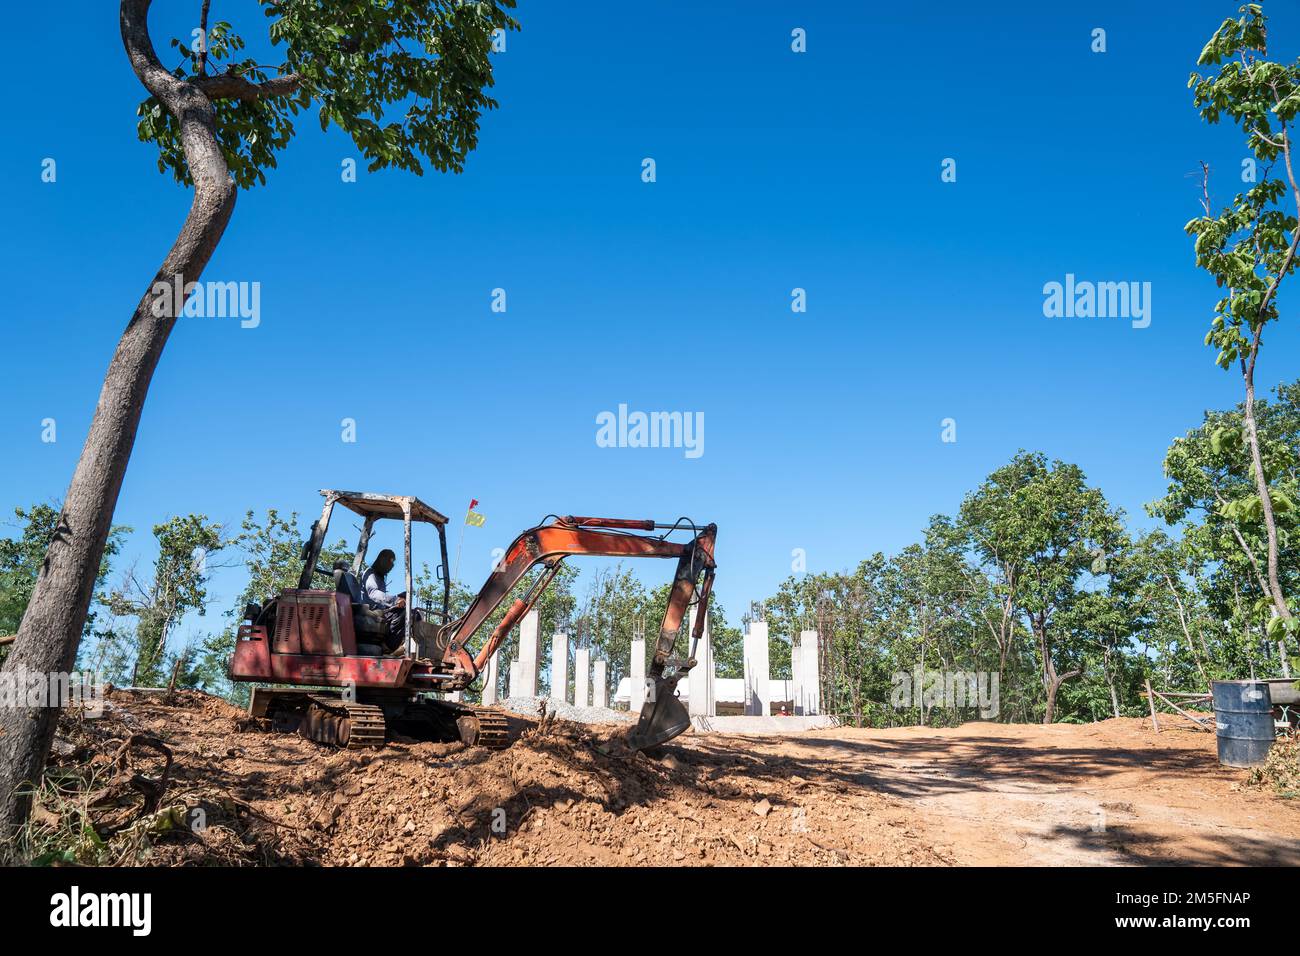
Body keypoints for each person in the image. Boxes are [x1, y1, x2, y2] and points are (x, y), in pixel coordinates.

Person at [362, 549, 415, 653]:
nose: (392, 566)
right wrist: (395, 600)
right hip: (370, 612)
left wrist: (400, 598)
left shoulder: (380, 577)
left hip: (381, 611)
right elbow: (373, 593)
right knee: (405, 614)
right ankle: (388, 646)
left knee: (414, 613)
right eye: (391, 561)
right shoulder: (370, 574)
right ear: (382, 560)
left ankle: (402, 645)